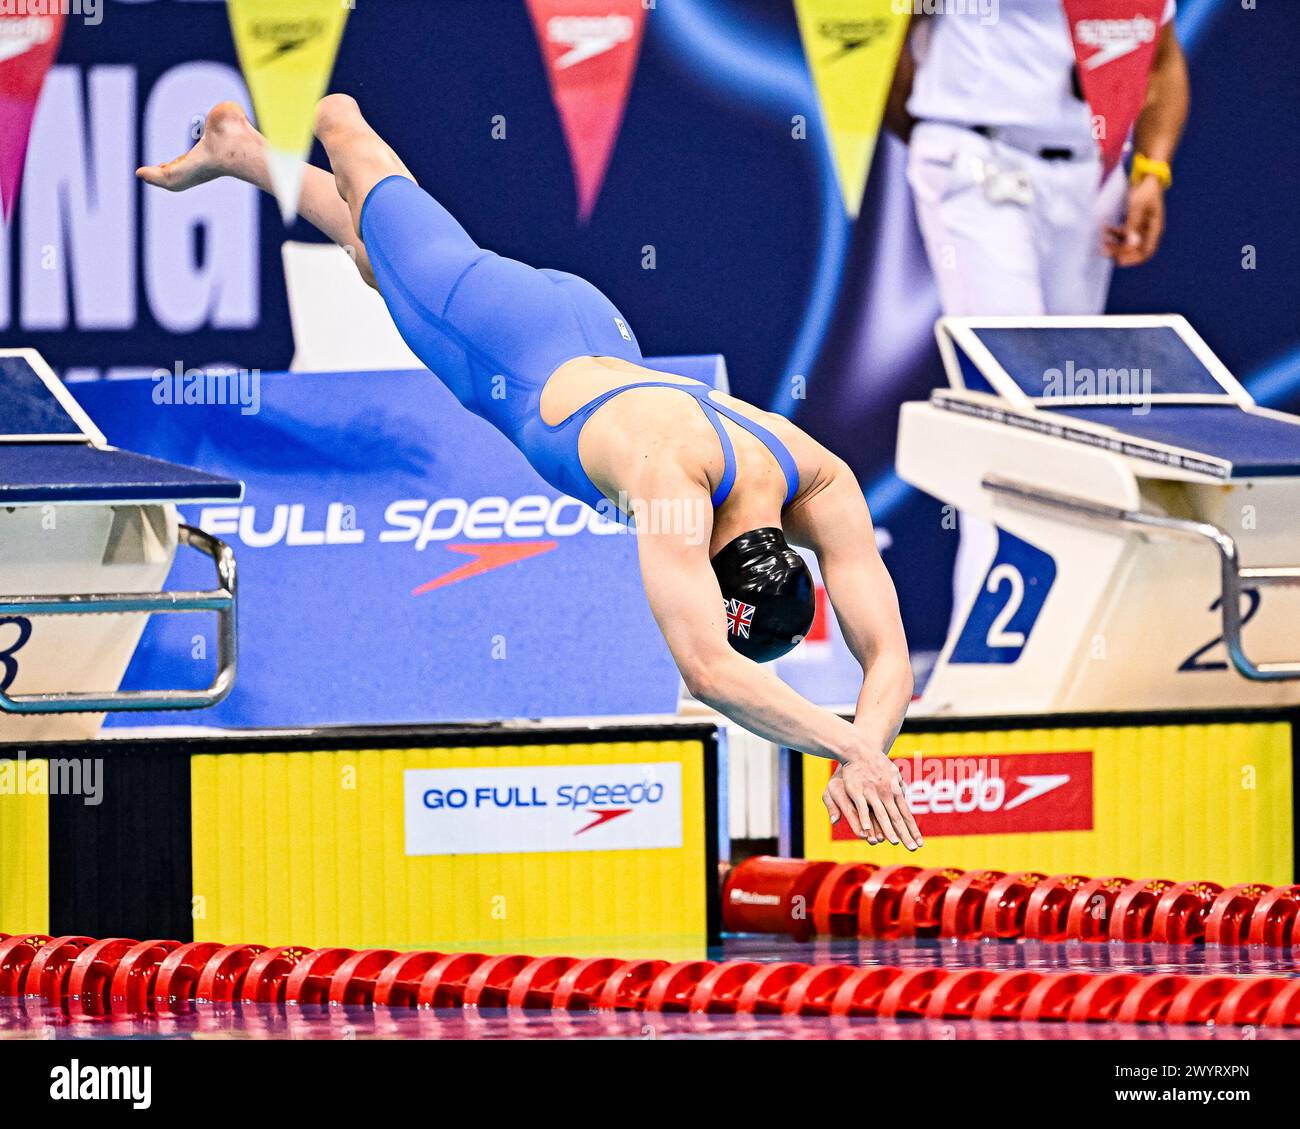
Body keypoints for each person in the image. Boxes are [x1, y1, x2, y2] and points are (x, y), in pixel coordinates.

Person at [138, 95, 921, 850]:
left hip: (598, 328)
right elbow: (710, 670)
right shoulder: (674, 480)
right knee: (365, 167)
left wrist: (872, 751)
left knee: (385, 264)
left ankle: (239, 150)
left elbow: (887, 653)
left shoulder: (816, 475)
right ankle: (324, 114)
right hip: (504, 340)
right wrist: (845, 745)